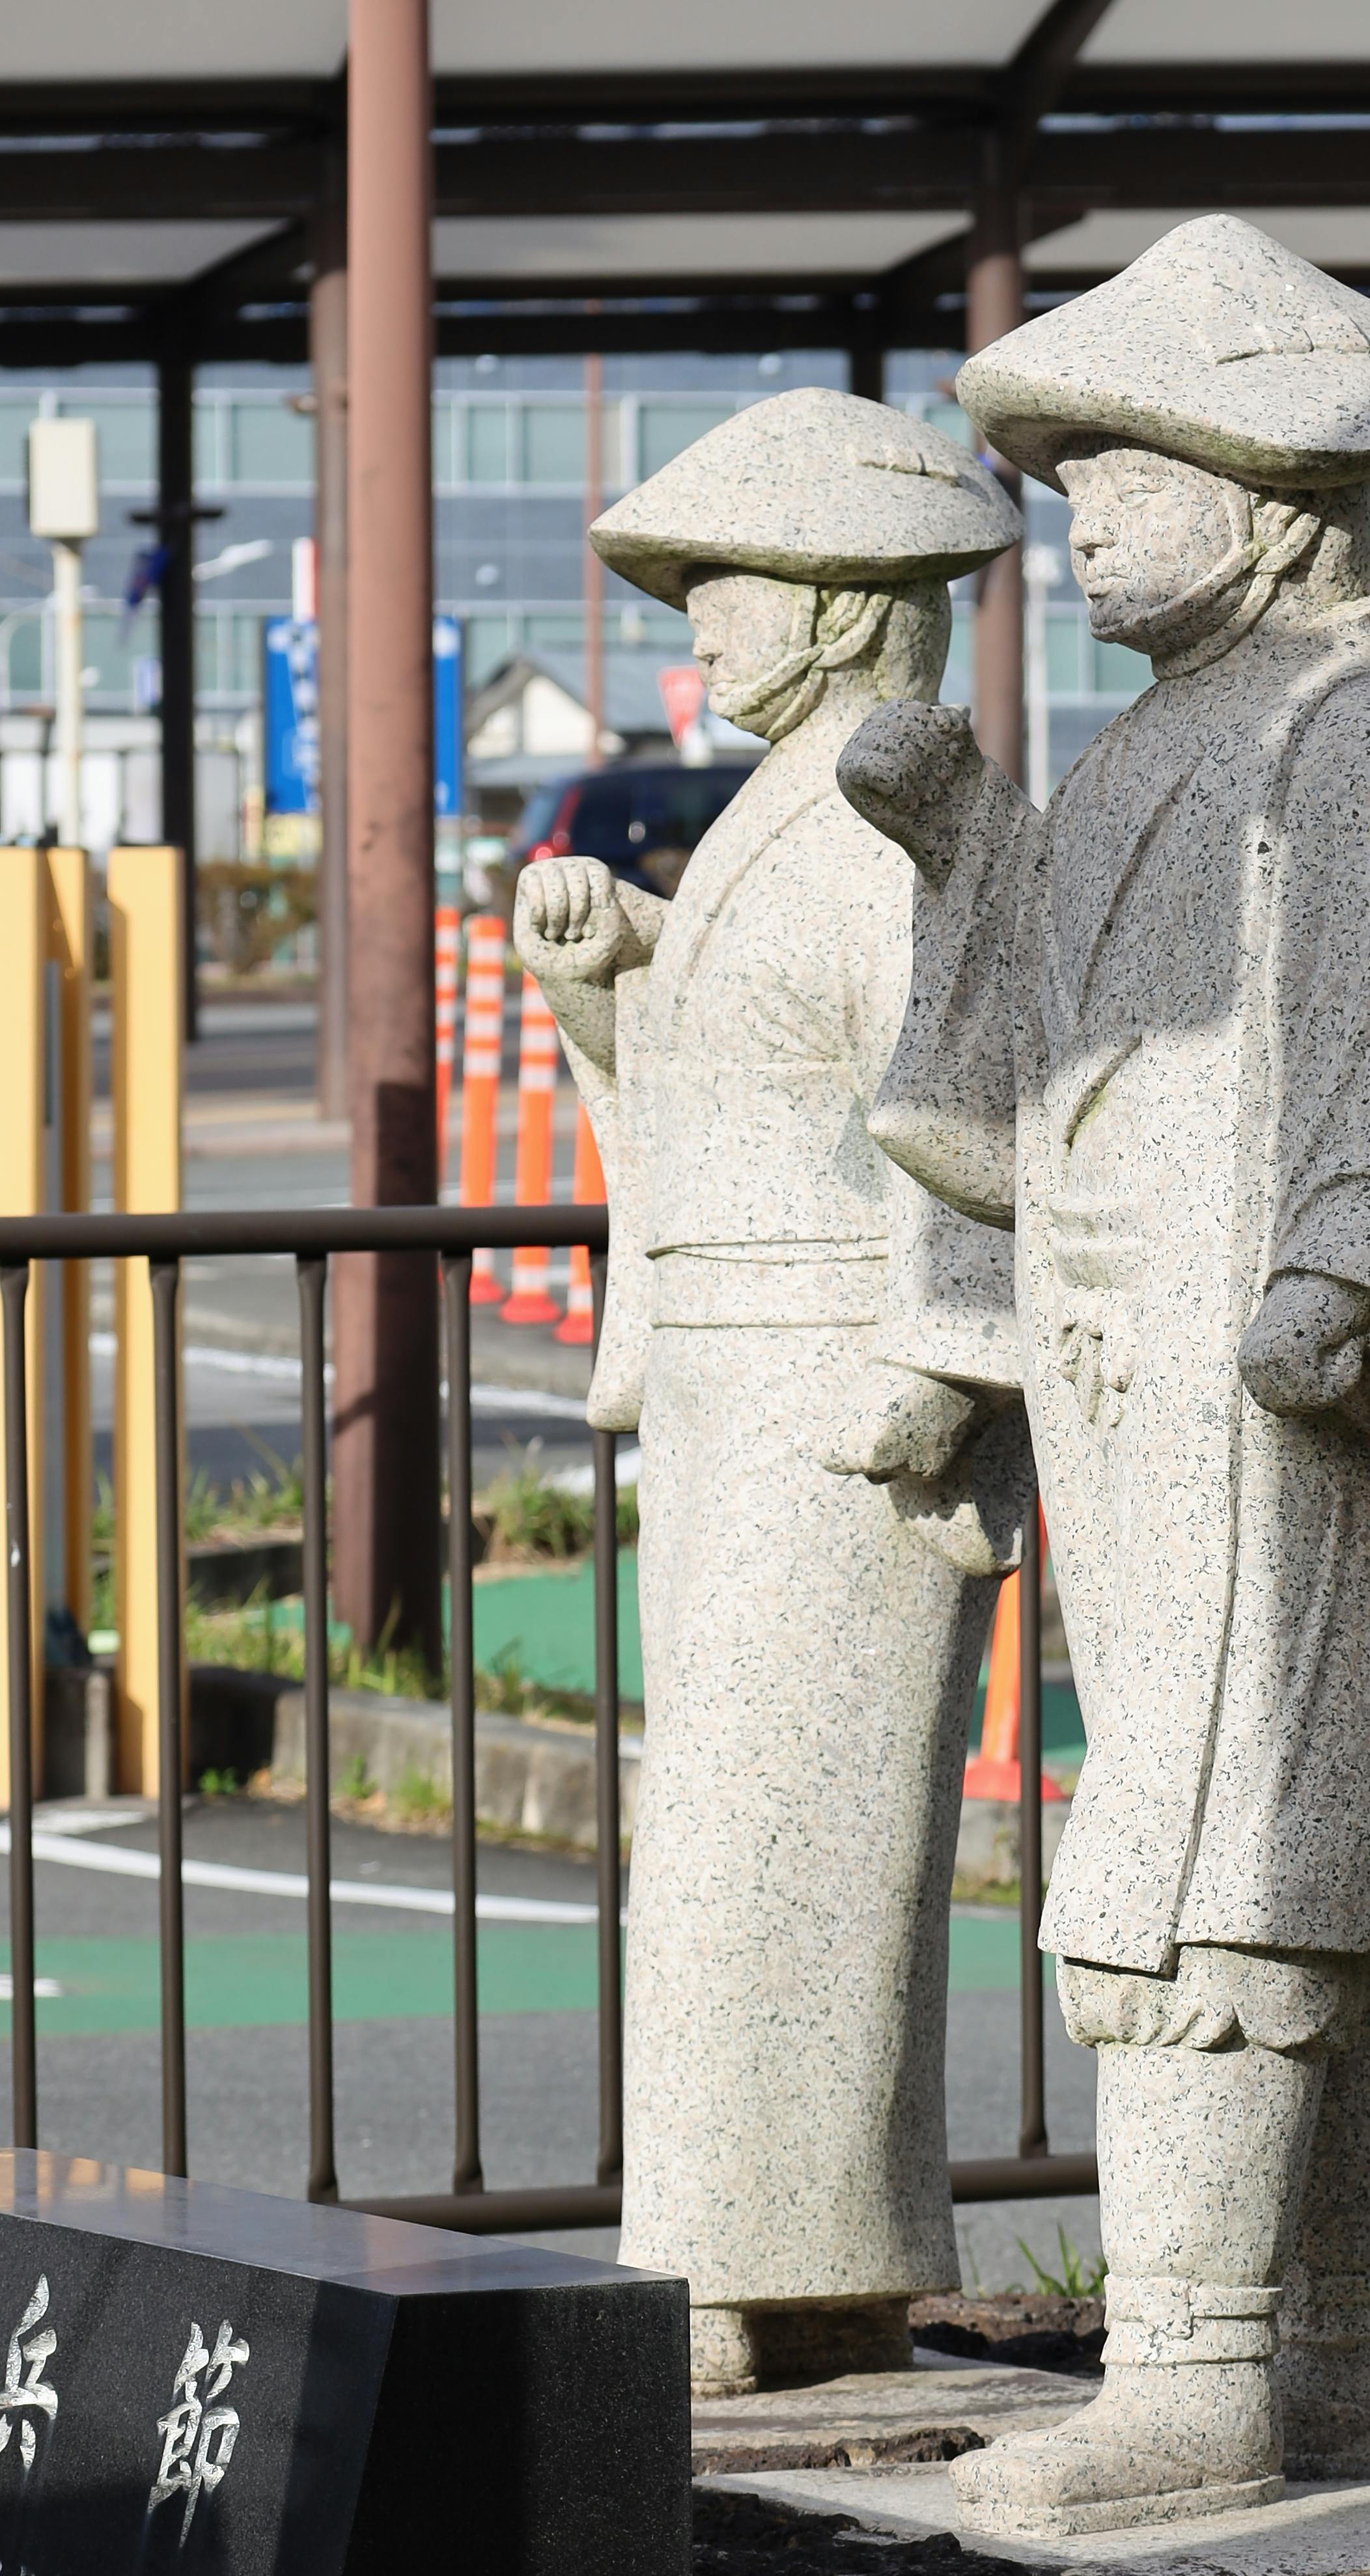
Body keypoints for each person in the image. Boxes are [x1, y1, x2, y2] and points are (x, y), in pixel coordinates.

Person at [837, 216, 1370, 2532]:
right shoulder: (1180, 742)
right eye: (1067, 500)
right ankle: (1347, 2363)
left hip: (1283, 1402)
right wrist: (966, 845)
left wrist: (1354, 1281)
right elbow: (1027, 1090)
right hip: (1146, 1394)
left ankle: (1199, 2373)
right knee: (1261, 1858)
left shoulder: (1364, 746)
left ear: (1267, 495)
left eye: (1123, 488)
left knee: (1225, 1870)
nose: (1085, 538)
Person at [513, 388, 1025, 2396]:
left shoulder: (903, 821)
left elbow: (984, 1101)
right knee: (746, 1830)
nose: (699, 630)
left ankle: (747, 2267)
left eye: (726, 591)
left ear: (842, 603)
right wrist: (612, 971)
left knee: (778, 1838)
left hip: (834, 1379)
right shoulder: (784, 813)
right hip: (753, 1382)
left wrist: (941, 1352)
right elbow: (760, 1082)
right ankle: (792, 2258)